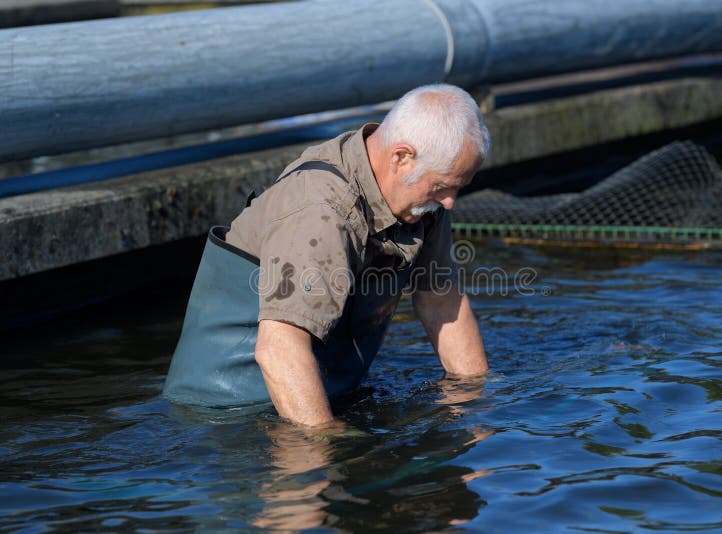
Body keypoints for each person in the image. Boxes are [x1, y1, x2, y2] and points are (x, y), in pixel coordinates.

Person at [163, 83, 490, 426]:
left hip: (325, 391)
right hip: (228, 412)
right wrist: (328, 442)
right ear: (401, 157)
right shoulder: (320, 209)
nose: (451, 201)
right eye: (442, 186)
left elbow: (441, 298)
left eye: (458, 187)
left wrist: (476, 405)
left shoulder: (424, 197)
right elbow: (279, 348)